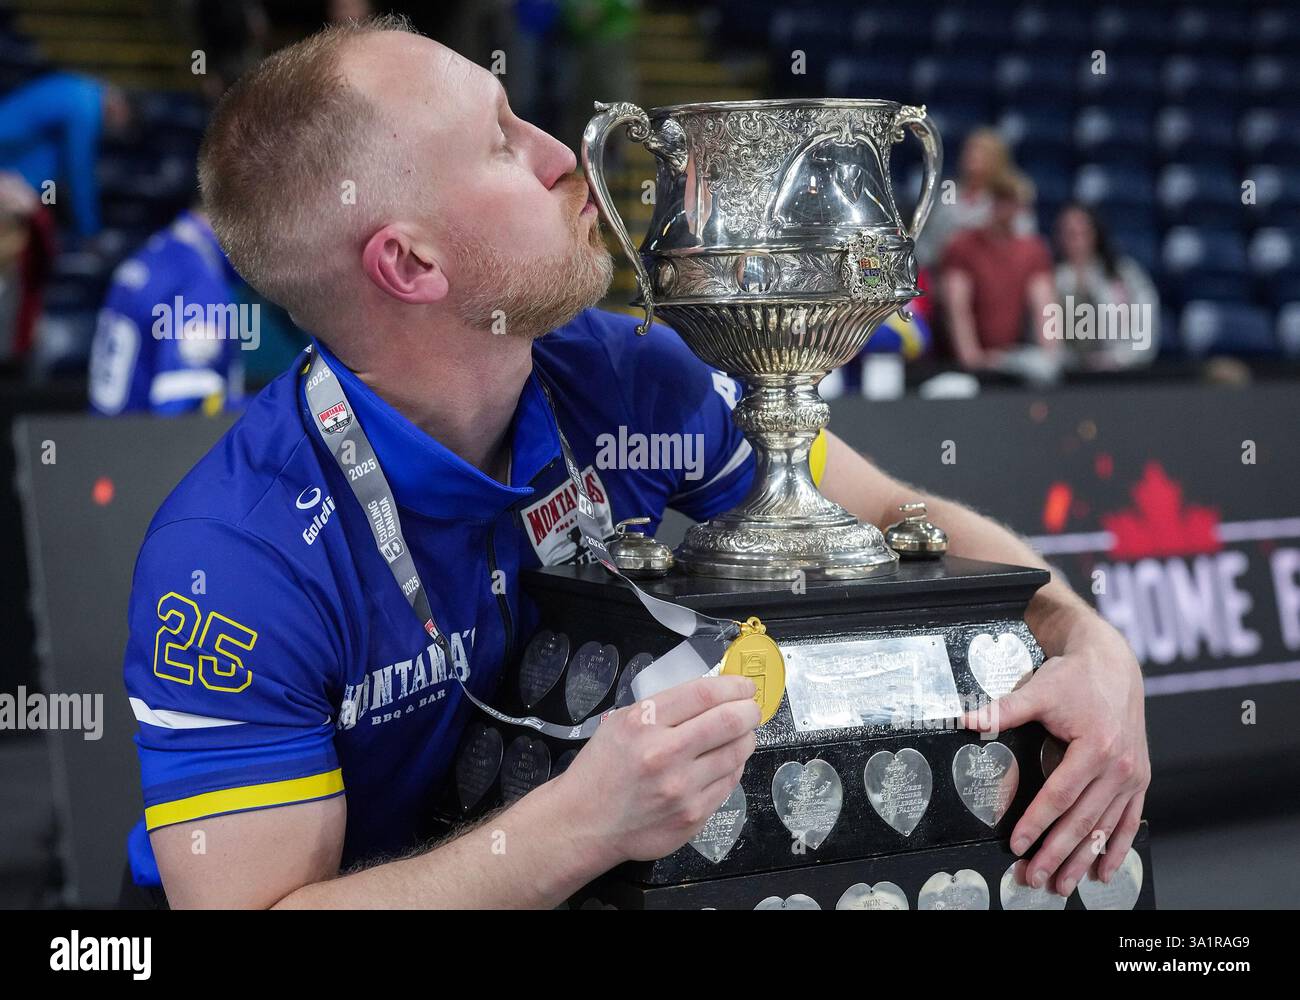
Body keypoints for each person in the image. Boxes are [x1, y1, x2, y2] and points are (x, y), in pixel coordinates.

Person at [122, 16, 1149, 909]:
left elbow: (891, 516)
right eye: (498, 144)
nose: (560, 152)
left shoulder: (625, 375)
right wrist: (577, 825)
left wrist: (1087, 642)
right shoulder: (235, 559)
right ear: (411, 264)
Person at [88, 208, 246, 415]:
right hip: (146, 443)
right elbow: (185, 409)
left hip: (99, 436)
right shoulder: (198, 279)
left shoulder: (154, 253)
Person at [940, 167, 1060, 371]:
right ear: (990, 201)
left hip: (1013, 358)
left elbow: (1045, 307)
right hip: (960, 362)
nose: (1006, 208)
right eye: (1000, 199)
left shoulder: (1033, 250)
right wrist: (973, 359)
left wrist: (1051, 358)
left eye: (1012, 201)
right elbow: (958, 308)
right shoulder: (963, 246)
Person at [0, 71, 130, 238]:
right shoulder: (87, 108)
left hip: (16, 142)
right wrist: (89, 230)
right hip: (11, 145)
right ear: (121, 108)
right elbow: (79, 171)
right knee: (48, 177)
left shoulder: (81, 87)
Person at [1053, 203, 1160, 370]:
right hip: (1069, 376)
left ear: (1096, 234)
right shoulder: (1051, 280)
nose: (1077, 241)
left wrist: (1118, 358)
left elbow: (1146, 334)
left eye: (1083, 233)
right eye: (1070, 234)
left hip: (1121, 373)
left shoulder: (1125, 274)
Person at [914, 127, 1034, 270]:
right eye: (969, 150)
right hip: (948, 267)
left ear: (997, 158)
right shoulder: (950, 189)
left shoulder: (1008, 194)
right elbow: (932, 236)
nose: (971, 156)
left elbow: (1023, 234)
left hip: (994, 269)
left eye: (980, 152)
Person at [0, 171, 54, 364]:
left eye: (9, 233)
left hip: (18, 365)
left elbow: (44, 242)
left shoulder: (29, 271)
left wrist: (31, 206)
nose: (4, 242)